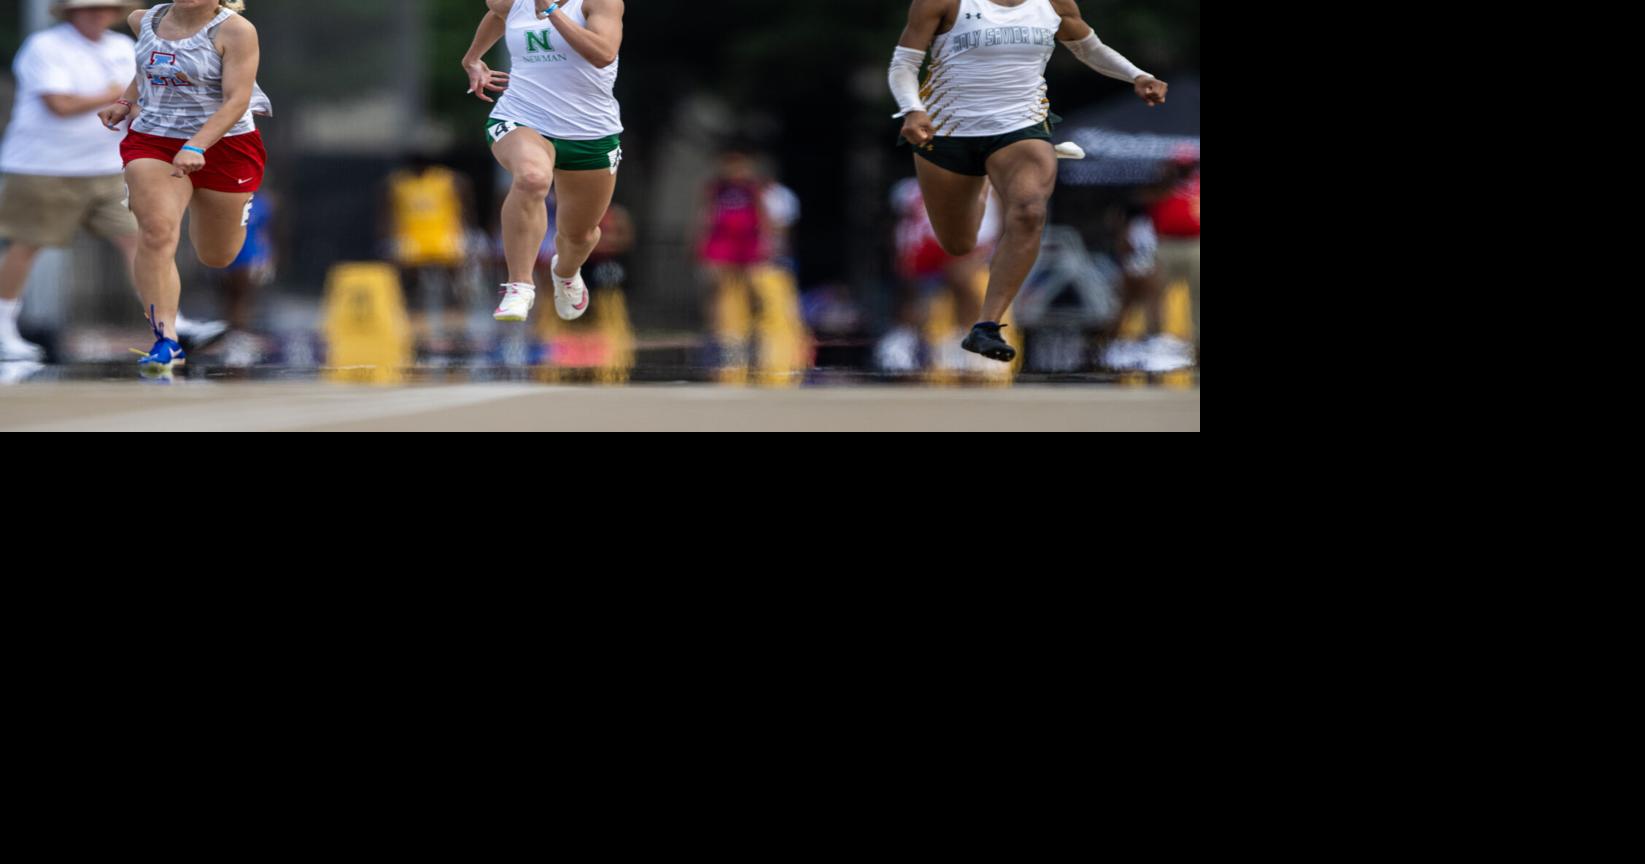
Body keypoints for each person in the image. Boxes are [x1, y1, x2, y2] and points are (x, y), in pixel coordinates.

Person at [887, 0, 1166, 362]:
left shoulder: (1053, 3)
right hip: (946, 133)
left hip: (1020, 129)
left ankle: (986, 326)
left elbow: (1089, 47)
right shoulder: (943, 3)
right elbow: (904, 64)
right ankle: (983, 183)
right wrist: (912, 109)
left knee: (1030, 211)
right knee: (959, 244)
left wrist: (1136, 75)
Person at [98, 0, 272, 376]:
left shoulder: (236, 31)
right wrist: (127, 101)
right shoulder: (144, 20)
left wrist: (197, 144)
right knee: (156, 232)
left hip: (225, 145)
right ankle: (166, 341)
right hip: (154, 139)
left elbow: (237, 99)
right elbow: (151, 64)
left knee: (218, 256)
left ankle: (219, 207)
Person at [461, 0, 625, 326]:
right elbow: (497, 14)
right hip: (522, 116)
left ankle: (566, 272)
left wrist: (550, 11)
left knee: (580, 235)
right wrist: (472, 58)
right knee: (532, 178)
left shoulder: (600, 3)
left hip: (589, 132)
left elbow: (602, 53)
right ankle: (519, 285)